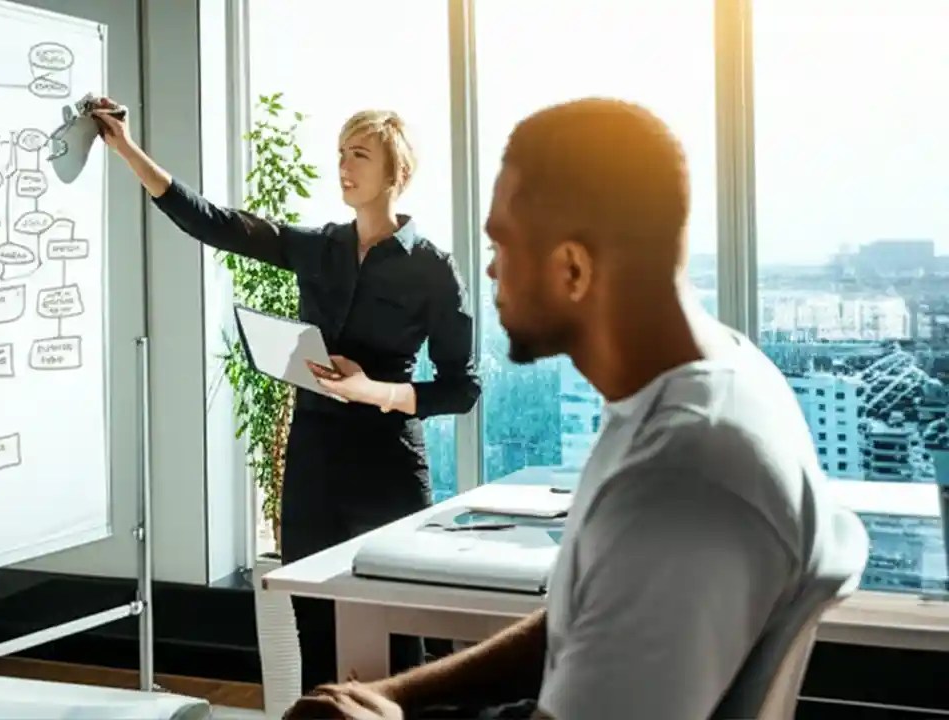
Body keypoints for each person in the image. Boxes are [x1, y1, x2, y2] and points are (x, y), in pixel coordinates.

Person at [284, 98, 848, 720]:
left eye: (501, 244)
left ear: (572, 268)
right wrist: (393, 696)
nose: (490, 269)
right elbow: (576, 621)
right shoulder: (712, 380)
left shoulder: (682, 472)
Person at [87, 98, 481, 693]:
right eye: (341, 153)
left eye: (359, 155)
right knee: (313, 627)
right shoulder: (319, 246)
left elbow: (461, 389)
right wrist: (126, 149)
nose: (343, 166)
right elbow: (214, 222)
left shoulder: (433, 268)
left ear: (395, 173)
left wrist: (370, 389)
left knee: (399, 642)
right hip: (312, 460)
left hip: (387, 468)